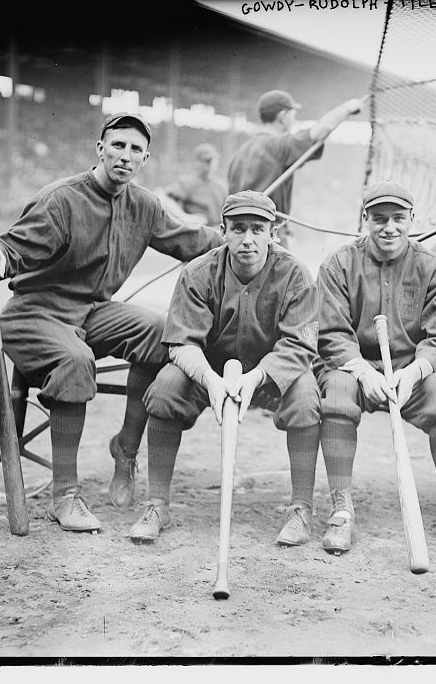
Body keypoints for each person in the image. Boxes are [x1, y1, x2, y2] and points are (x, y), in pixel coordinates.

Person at [0, 112, 222, 533]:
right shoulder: (62, 198)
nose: (125, 155)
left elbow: (190, 241)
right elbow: (12, 246)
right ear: (100, 148)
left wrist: (236, 235)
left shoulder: (145, 205)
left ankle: (125, 449)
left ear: (146, 158)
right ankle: (64, 496)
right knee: (74, 360)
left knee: (163, 335)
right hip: (35, 311)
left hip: (93, 311)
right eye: (117, 145)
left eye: (135, 149)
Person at [136, 191, 321, 543]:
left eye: (257, 229)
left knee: (306, 396)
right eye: (238, 229)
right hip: (210, 372)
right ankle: (157, 503)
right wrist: (210, 379)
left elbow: (299, 344)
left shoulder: (295, 274)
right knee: (164, 389)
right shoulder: (199, 272)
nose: (248, 239)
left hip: (268, 375)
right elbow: (182, 342)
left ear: (273, 232)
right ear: (223, 230)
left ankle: (301, 509)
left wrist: (256, 377)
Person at [315, 180, 436, 554]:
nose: (389, 227)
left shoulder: (431, 267)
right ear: (364, 219)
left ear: (412, 219)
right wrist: (364, 372)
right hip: (353, 367)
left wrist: (413, 372)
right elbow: (331, 334)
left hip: (410, 368)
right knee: (335, 394)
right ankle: (342, 510)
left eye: (398, 218)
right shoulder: (339, 264)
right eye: (380, 218)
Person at [226, 89, 363, 247]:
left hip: (238, 239)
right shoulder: (279, 145)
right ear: (282, 116)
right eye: (292, 114)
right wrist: (347, 108)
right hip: (266, 236)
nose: (294, 119)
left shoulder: (238, 154)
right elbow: (320, 131)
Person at [164, 143, 227, 226]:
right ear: (197, 162)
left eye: (213, 160)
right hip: (196, 231)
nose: (211, 164)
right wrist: (184, 216)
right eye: (207, 160)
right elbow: (164, 199)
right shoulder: (188, 182)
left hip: (217, 230)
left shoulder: (221, 186)